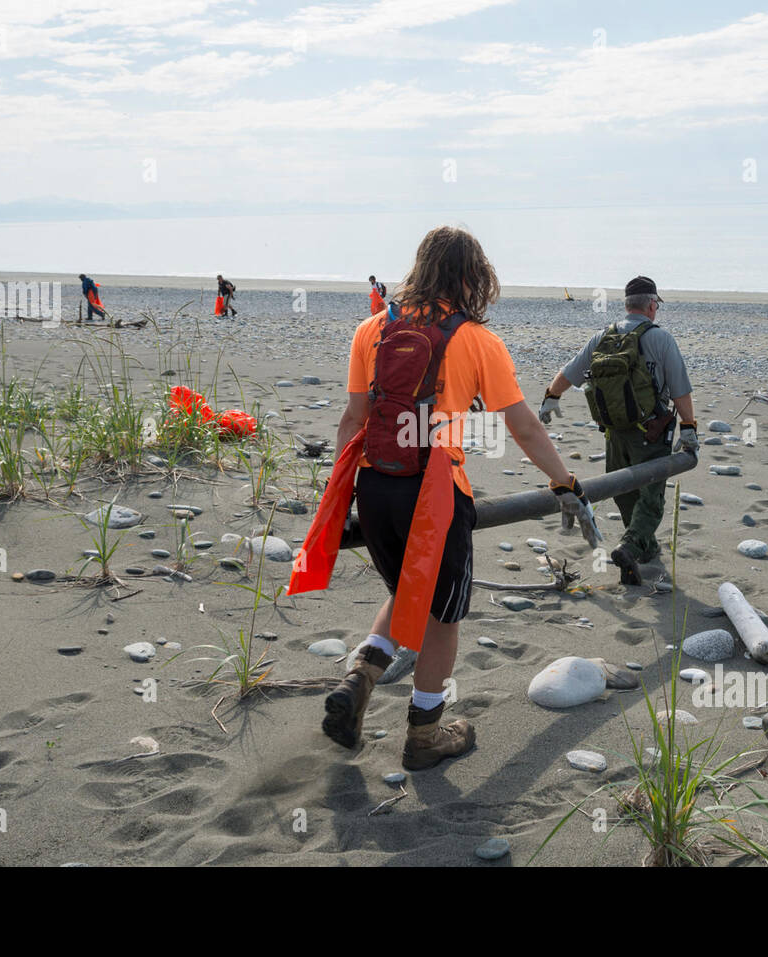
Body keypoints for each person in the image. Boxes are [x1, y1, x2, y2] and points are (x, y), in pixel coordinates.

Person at [292, 226, 600, 771]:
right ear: (472, 276)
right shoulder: (477, 341)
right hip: (435, 493)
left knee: (409, 584)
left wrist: (339, 499)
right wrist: (563, 482)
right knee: (444, 616)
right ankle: (426, 734)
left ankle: (359, 677)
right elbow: (523, 427)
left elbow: (353, 420)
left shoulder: (372, 329)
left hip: (377, 485)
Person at [539, 276, 698, 586]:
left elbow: (569, 371)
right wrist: (689, 428)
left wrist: (550, 398)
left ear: (626, 305)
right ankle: (630, 546)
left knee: (624, 492)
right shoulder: (661, 339)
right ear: (652, 305)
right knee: (650, 496)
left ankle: (644, 548)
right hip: (651, 434)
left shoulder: (603, 336)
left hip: (614, 434)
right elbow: (680, 389)